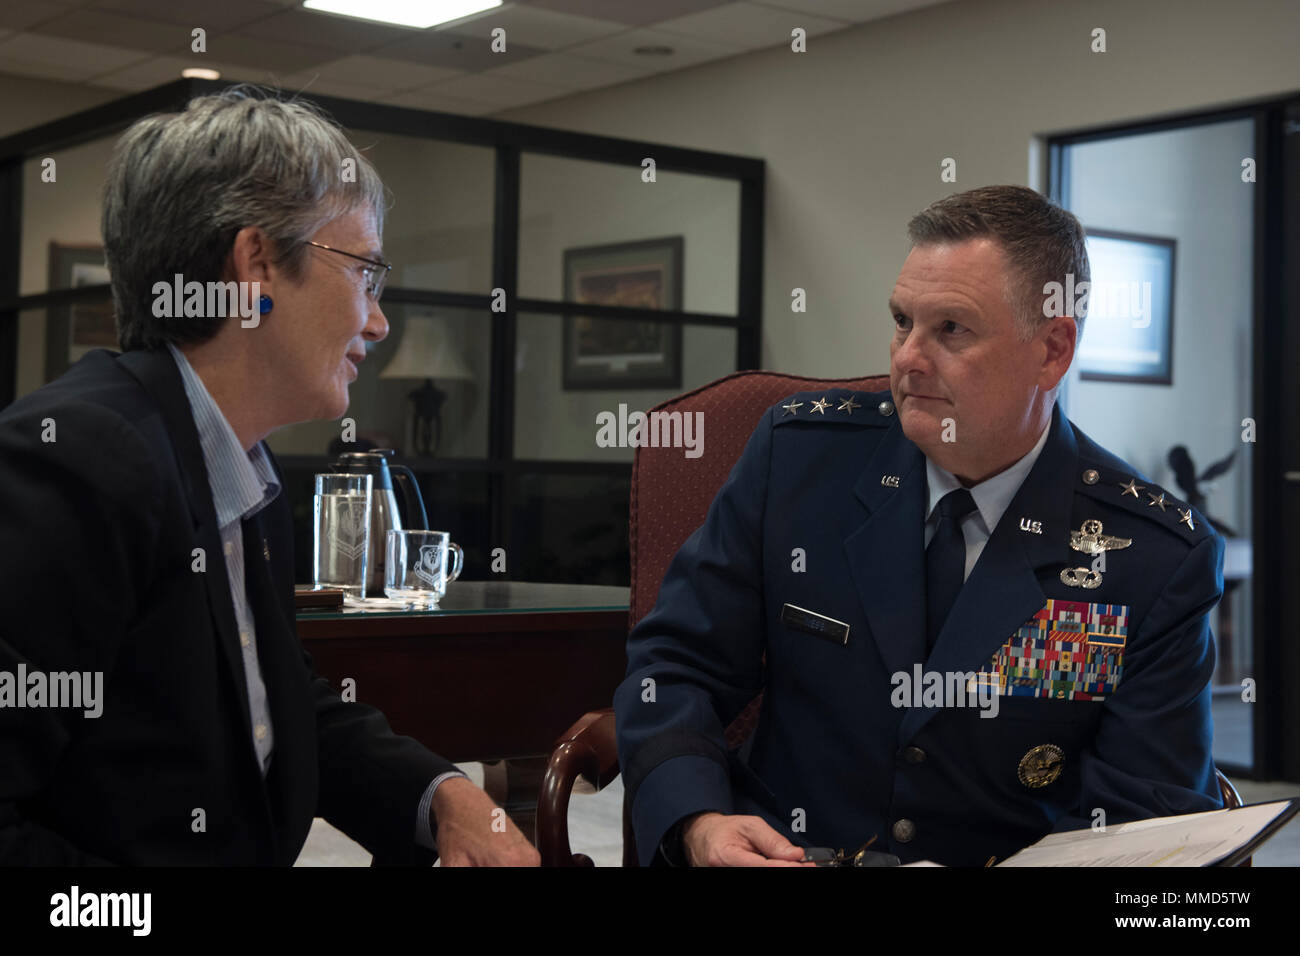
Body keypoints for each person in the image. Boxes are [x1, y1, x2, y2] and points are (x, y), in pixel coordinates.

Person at [0, 87, 539, 866]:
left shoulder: (231, 457)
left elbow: (274, 709)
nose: (378, 321)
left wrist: (444, 799)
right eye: (364, 272)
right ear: (255, 265)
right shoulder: (78, 458)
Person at [614, 185, 1225, 867]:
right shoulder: (800, 461)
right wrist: (699, 822)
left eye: (951, 330)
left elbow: (1144, 823)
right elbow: (674, 668)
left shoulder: (1154, 556)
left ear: (1051, 350)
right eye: (903, 321)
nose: (906, 357)